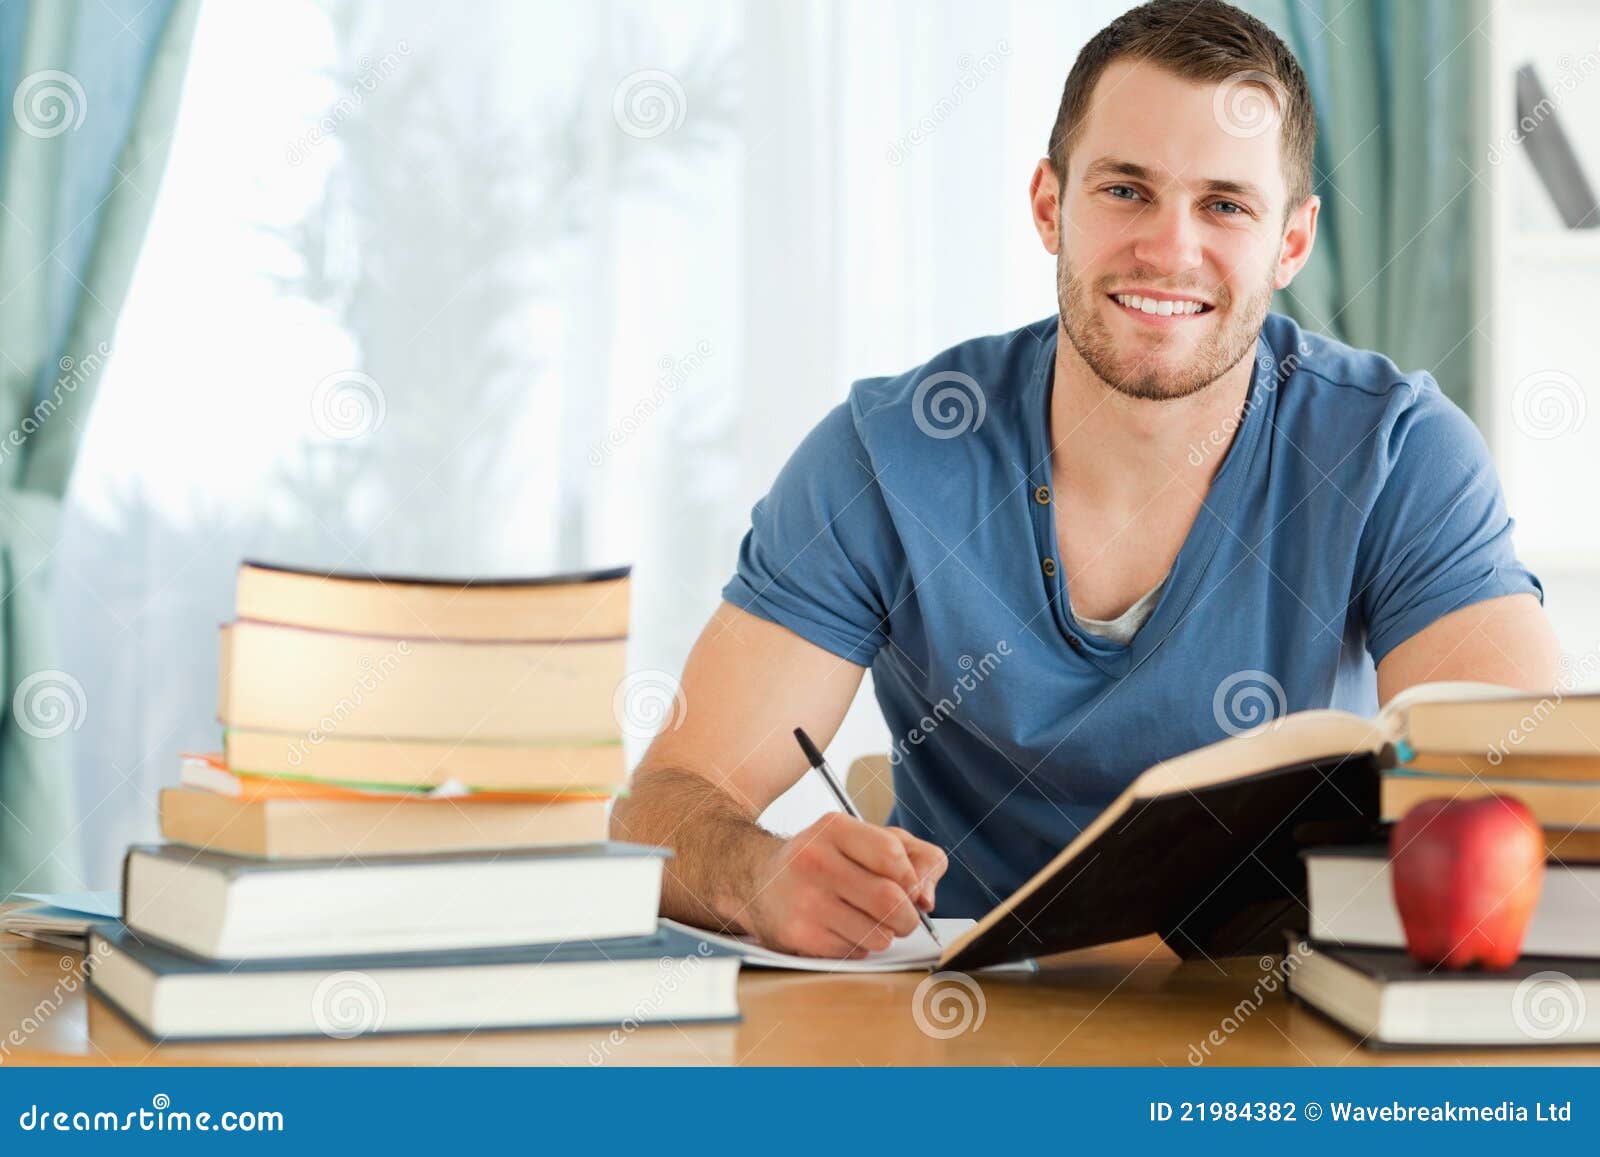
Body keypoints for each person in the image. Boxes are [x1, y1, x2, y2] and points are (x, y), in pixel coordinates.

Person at [611, 0, 1563, 958]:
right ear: (1047, 205)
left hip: (1280, 1024)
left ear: (1292, 241)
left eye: (1225, 205)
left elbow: (1519, 791)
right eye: (1125, 190)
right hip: (967, 1028)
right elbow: (665, 804)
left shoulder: (1397, 450)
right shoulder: (884, 454)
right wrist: (760, 872)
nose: (1170, 248)